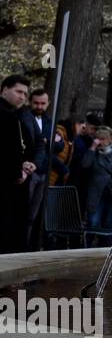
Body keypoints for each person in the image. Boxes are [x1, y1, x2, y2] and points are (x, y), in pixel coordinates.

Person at [0, 75, 36, 254]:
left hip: (15, 183)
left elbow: (23, 147)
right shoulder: (4, 116)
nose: (22, 97)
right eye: (18, 91)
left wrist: (27, 164)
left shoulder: (17, 116)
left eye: (25, 93)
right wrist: (16, 172)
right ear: (5, 89)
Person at [82, 125, 112, 241]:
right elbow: (85, 164)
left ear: (110, 140)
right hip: (96, 194)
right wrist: (92, 148)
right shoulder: (93, 153)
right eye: (98, 138)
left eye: (103, 139)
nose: (100, 141)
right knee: (93, 223)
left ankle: (105, 251)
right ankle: (87, 249)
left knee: (108, 224)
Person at [21, 85, 51, 251]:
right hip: (28, 170)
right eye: (36, 103)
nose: (39, 106)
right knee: (25, 212)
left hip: (42, 170)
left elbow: (51, 144)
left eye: (42, 103)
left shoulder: (48, 120)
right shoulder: (25, 116)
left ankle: (28, 245)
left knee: (34, 213)